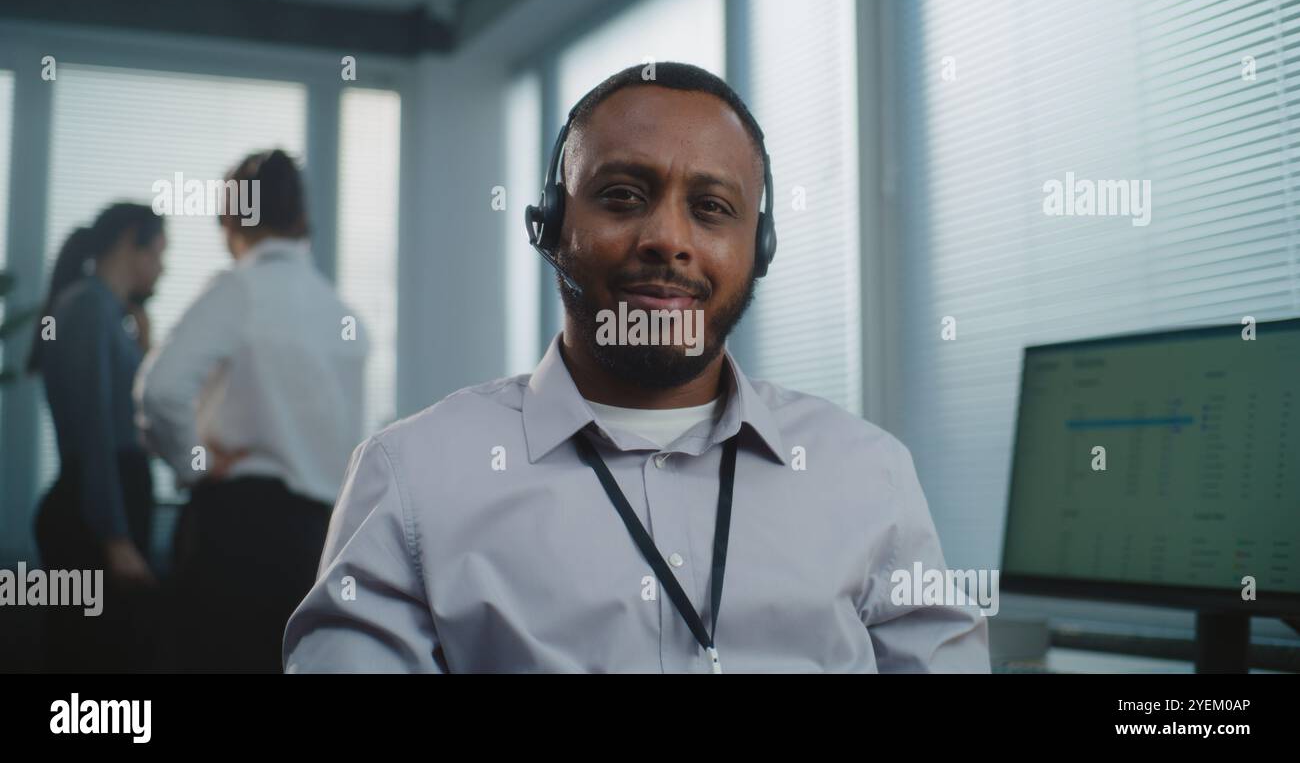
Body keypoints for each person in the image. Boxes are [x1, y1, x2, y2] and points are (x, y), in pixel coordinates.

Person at [284, 63, 990, 673]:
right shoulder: (411, 478)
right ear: (553, 225)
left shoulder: (870, 474)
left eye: (711, 208)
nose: (667, 239)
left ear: (760, 247)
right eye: (623, 196)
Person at [134, 149, 368, 673]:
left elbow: (160, 390)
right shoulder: (343, 316)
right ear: (303, 220)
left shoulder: (238, 290)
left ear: (230, 219)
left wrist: (193, 461)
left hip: (234, 534)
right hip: (320, 546)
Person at [29, 203, 167, 673]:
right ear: (132, 241)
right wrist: (114, 536)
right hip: (94, 516)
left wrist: (143, 349)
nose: (163, 269)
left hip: (106, 504)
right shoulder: (88, 306)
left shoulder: (110, 315)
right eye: (160, 253)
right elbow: (94, 430)